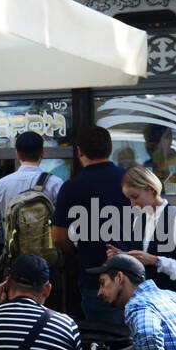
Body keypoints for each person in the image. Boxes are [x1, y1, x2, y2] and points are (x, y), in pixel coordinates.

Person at [51, 125, 131, 326]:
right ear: (110, 149)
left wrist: (78, 251)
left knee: (106, 346)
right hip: (135, 276)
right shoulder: (131, 180)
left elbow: (59, 237)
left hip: (95, 279)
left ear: (79, 151)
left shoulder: (71, 187)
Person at [108, 165, 176, 302]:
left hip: (173, 303)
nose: (132, 204)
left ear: (151, 189)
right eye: (129, 199)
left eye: (135, 197)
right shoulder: (139, 219)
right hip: (146, 302)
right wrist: (123, 255)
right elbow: (144, 258)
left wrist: (156, 261)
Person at [0, 131, 64, 248]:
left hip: (15, 259)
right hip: (48, 256)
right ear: (42, 153)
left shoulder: (1, 185)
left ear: (17, 154)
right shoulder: (56, 183)